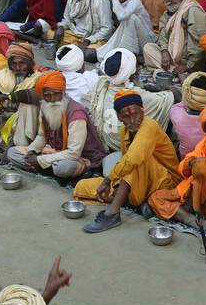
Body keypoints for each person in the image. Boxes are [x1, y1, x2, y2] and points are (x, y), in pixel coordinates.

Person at [75, 91, 179, 233]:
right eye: (126, 116)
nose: (132, 120)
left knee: (134, 161)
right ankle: (137, 202)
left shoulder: (149, 126)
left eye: (136, 114)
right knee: (82, 187)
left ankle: (112, 214)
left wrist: (107, 181)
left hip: (165, 181)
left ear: (142, 110)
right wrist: (115, 184)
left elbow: (131, 160)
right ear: (118, 117)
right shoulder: (124, 130)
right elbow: (125, 162)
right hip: (139, 180)